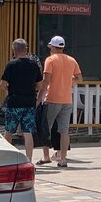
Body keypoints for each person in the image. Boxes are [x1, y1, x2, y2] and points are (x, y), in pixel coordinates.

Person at [37, 36, 82, 169]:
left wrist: (39, 98)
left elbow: (46, 81)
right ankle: (62, 159)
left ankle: (46, 156)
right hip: (67, 100)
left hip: (52, 98)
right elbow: (79, 79)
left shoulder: (50, 60)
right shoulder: (72, 60)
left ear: (52, 47)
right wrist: (68, 79)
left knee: (46, 128)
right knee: (64, 131)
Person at [1, 38, 44, 164]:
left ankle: (7, 159)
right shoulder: (34, 65)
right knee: (28, 132)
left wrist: (10, 89)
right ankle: (29, 161)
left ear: (14, 50)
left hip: (14, 102)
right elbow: (40, 86)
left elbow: (3, 84)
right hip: (29, 103)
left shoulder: (11, 64)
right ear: (26, 49)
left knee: (9, 131)